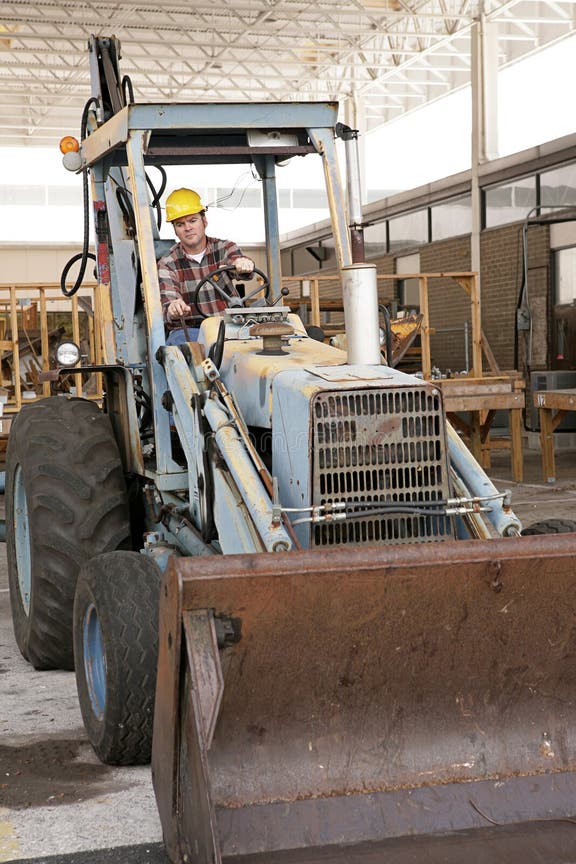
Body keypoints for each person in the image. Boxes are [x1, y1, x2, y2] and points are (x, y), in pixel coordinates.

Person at [158, 188, 255, 343]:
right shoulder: (167, 263)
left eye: (192, 220)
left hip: (230, 325)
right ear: (175, 230)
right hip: (191, 331)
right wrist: (174, 307)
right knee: (178, 349)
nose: (187, 228)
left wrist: (242, 264)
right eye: (180, 224)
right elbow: (168, 300)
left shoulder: (224, 248)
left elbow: (238, 262)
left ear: (204, 221)